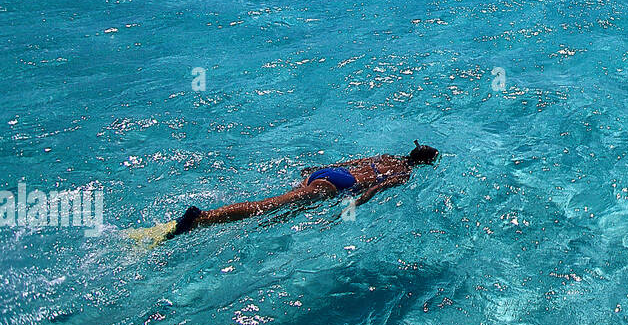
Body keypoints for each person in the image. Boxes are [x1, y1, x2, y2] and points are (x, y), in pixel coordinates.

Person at [128, 141, 440, 245]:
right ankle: (202, 219)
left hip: (329, 174)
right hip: (336, 186)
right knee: (266, 207)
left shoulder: (387, 157)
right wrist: (352, 205)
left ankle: (202, 223)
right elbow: (376, 188)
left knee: (280, 212)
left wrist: (314, 171)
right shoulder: (404, 173)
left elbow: (349, 163)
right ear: (423, 164)